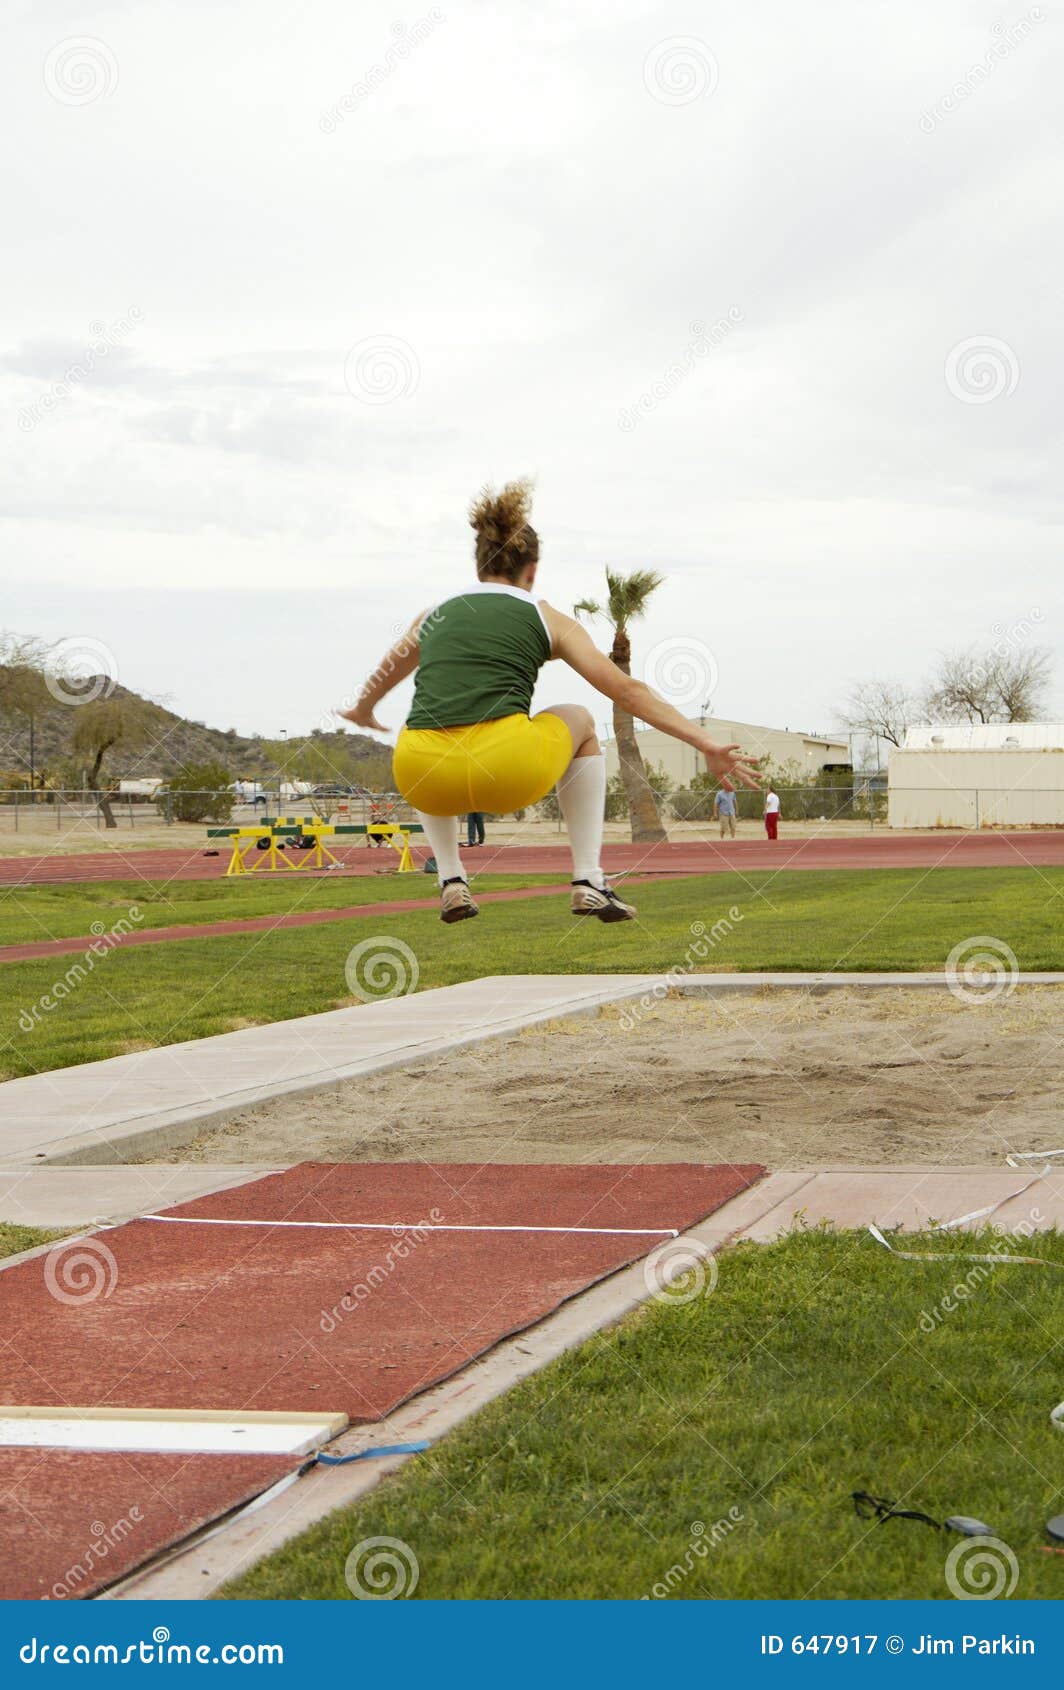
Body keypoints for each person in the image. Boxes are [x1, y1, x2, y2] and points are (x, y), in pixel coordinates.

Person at [340, 479, 760, 924]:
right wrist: (704, 742)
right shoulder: (545, 616)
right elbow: (627, 691)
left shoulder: (432, 614)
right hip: (509, 771)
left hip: (422, 776)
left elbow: (387, 672)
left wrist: (363, 710)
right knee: (578, 718)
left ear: (478, 563)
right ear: (532, 569)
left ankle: (451, 880)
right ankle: (588, 880)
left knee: (419, 726)